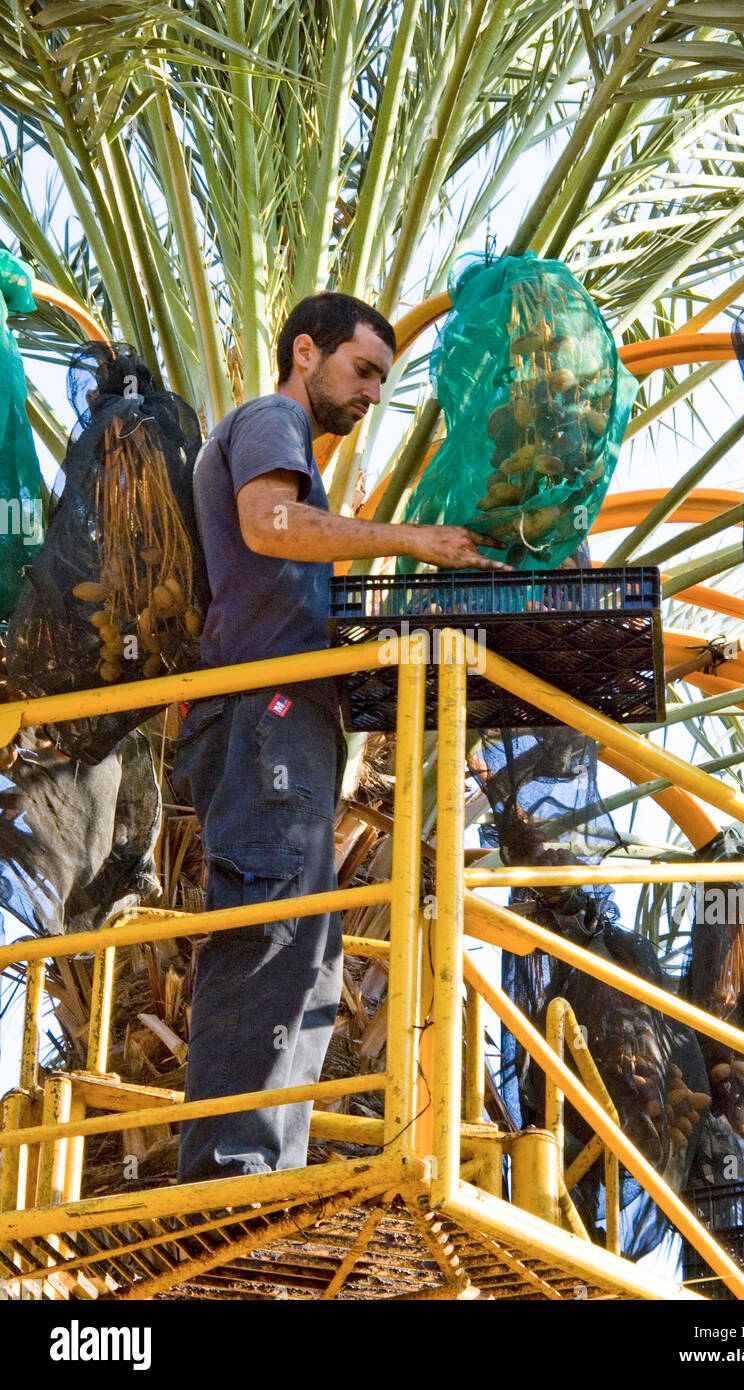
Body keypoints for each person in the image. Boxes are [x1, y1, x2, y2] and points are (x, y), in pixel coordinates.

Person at [173, 291, 508, 1183]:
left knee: (313, 959)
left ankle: (262, 1174)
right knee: (275, 936)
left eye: (384, 383)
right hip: (264, 721)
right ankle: (230, 1181)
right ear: (304, 349)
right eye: (362, 372)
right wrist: (417, 541)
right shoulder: (270, 419)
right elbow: (267, 524)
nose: (370, 395)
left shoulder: (293, 445)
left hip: (284, 727)